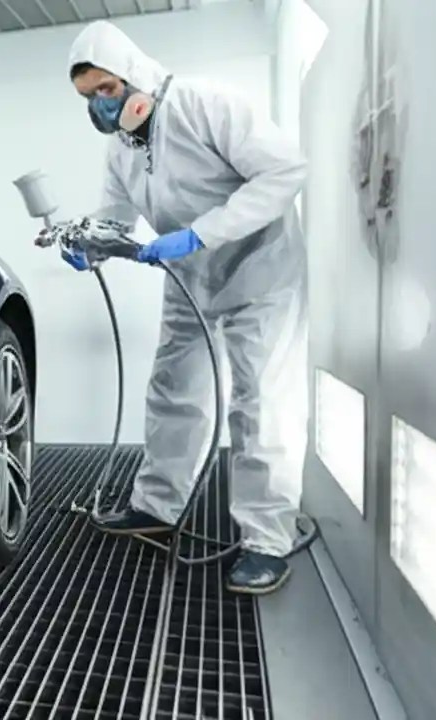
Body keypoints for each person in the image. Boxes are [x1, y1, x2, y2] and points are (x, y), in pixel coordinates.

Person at [40, 20, 310, 594]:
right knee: (173, 389)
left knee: (259, 400)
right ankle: (158, 509)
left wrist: (200, 233)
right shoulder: (122, 150)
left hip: (260, 271)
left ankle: (266, 541)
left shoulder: (205, 106)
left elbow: (286, 169)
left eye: (106, 91)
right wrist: (93, 246)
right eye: (89, 97)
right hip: (189, 278)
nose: (100, 107)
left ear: (136, 77)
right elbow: (116, 215)